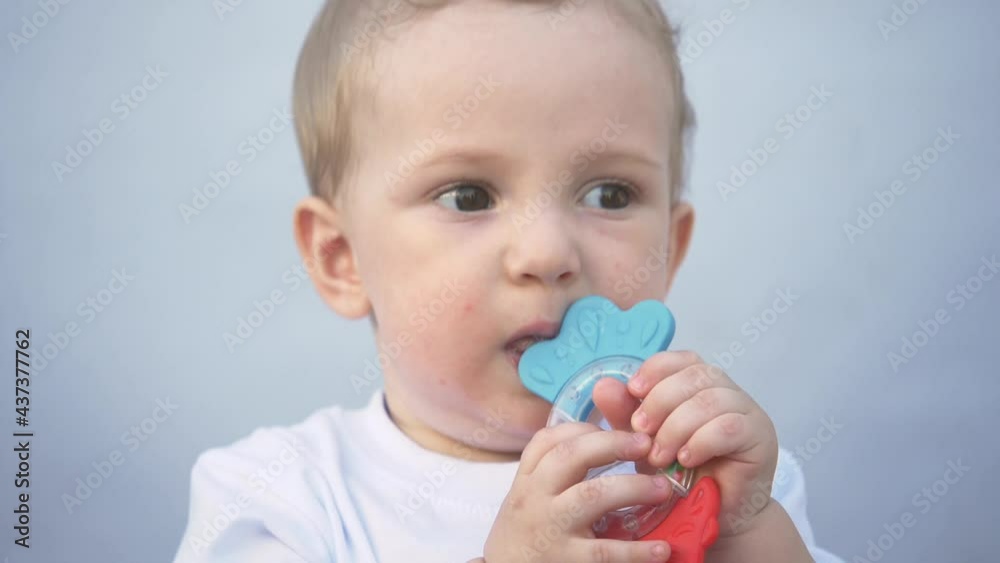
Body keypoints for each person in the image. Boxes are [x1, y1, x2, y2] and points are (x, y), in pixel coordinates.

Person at [174, 0, 843, 561]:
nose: (548, 252)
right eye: (468, 196)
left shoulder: (729, 476)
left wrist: (748, 529)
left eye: (609, 193)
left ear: (671, 246)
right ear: (341, 256)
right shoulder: (280, 495)